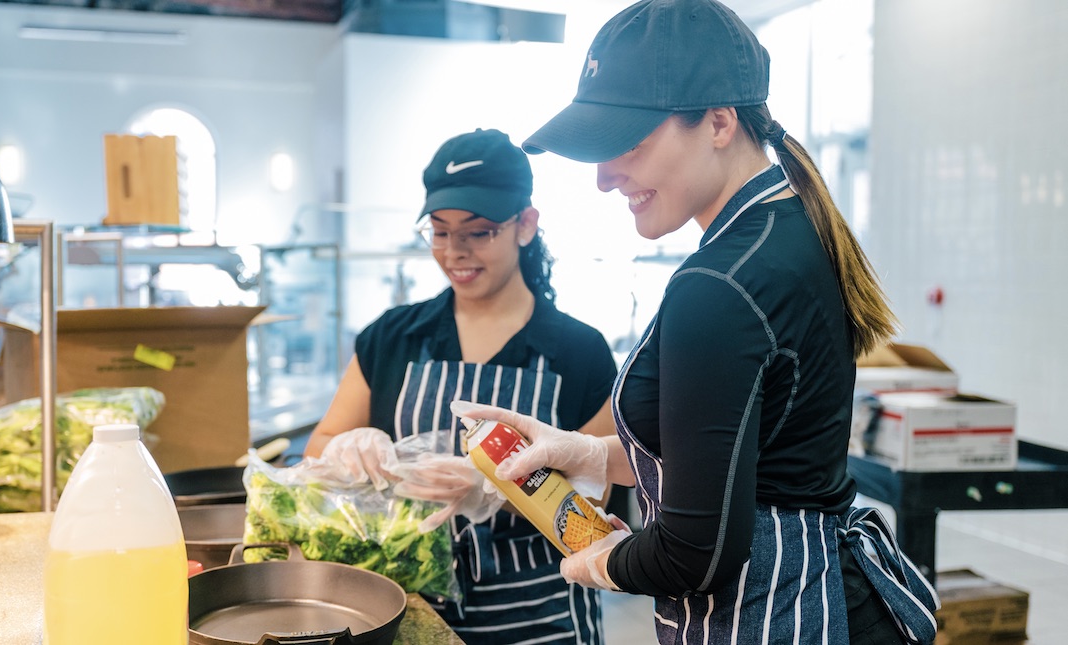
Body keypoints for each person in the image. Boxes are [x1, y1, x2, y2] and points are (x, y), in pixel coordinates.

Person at [451, 2, 940, 644]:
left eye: (626, 143)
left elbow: (696, 553)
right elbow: (751, 455)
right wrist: (592, 454)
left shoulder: (719, 284)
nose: (602, 180)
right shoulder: (787, 232)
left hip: (772, 618)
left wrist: (600, 562)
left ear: (718, 121)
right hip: (826, 595)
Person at [304, 128, 618, 645]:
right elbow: (317, 448)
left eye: (479, 232)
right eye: (441, 231)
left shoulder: (578, 351)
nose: (455, 252)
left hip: (539, 613)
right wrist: (346, 447)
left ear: (525, 225)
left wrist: (495, 491)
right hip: (406, 605)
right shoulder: (393, 337)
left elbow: (596, 492)